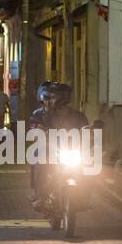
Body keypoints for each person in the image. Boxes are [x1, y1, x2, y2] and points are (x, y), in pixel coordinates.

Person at [28, 81, 89, 210]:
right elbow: (33, 127)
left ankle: (84, 197)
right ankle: (39, 195)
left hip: (70, 150)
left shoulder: (77, 116)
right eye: (47, 98)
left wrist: (91, 133)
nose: (49, 101)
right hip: (49, 150)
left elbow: (86, 129)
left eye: (52, 97)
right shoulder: (39, 114)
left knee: (88, 167)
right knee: (38, 160)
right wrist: (38, 130)